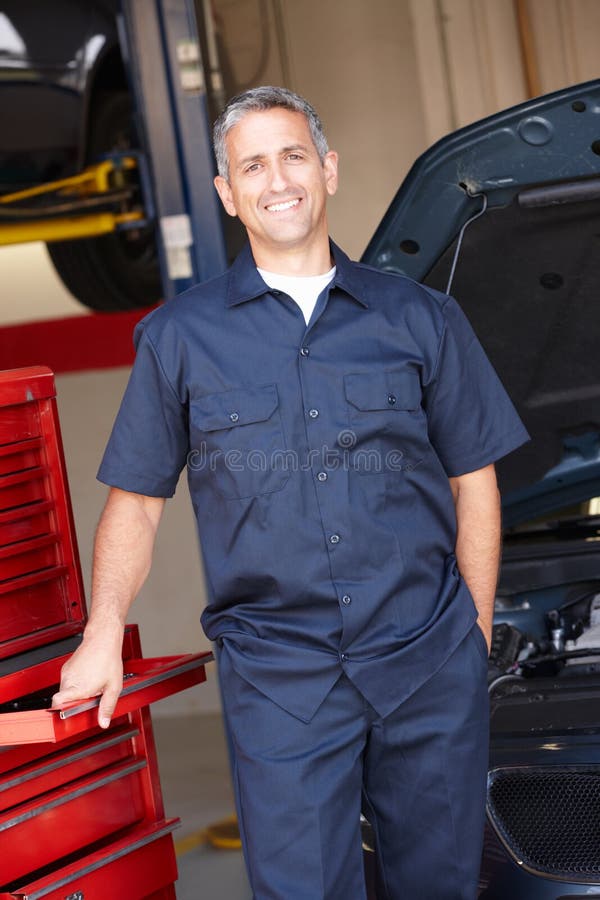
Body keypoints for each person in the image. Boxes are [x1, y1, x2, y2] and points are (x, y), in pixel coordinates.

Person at [52, 86, 529, 899]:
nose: (278, 179)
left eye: (294, 154)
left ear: (329, 169)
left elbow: (473, 477)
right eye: (253, 164)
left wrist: (474, 630)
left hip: (425, 660)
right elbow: (136, 500)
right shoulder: (179, 339)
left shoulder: (422, 319)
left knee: (439, 888)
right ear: (227, 193)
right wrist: (103, 632)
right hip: (280, 679)